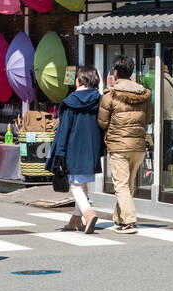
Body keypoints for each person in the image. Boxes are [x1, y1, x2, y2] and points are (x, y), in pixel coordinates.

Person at [98, 56, 152, 234]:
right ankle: (119, 220)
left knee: (121, 185)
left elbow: (103, 122)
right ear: (132, 72)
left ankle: (129, 222)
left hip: (119, 145)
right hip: (138, 145)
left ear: (115, 72)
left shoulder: (110, 94)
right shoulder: (143, 94)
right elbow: (148, 118)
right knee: (128, 186)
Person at [49, 65, 103, 234]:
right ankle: (75, 220)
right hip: (93, 146)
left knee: (75, 185)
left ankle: (88, 213)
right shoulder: (99, 100)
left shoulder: (70, 101)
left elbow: (64, 130)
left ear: (80, 80)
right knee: (82, 183)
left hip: (74, 147)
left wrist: (59, 152)